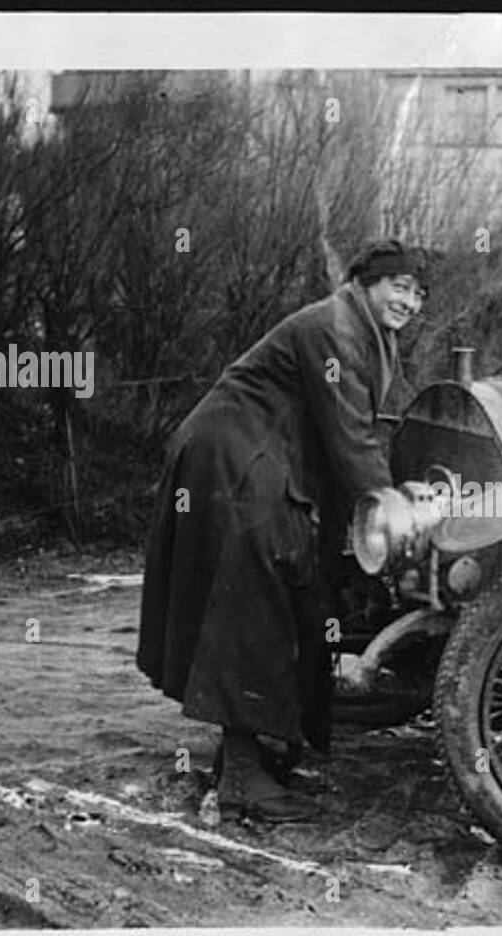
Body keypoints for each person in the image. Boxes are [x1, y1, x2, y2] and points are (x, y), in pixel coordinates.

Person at [136, 239, 428, 821]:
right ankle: (242, 778)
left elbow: (345, 434)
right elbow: (350, 438)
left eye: (419, 294)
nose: (410, 301)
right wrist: (395, 514)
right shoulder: (336, 331)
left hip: (259, 459)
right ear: (366, 282)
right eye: (400, 285)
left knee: (294, 593)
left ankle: (258, 753)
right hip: (236, 462)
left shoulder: (363, 331)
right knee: (253, 605)